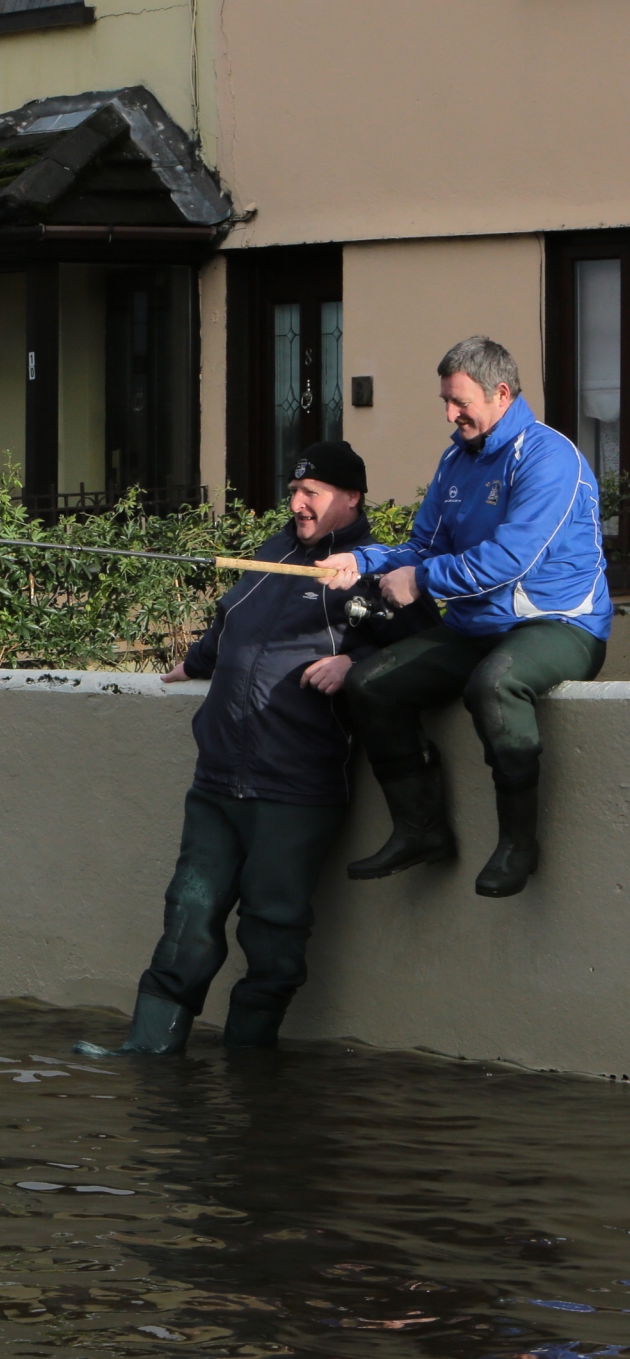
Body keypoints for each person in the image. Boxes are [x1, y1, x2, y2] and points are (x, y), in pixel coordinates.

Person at [77, 441, 433, 1056]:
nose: (297, 504)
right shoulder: (273, 552)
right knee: (186, 920)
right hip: (217, 780)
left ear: (351, 498)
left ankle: (248, 1072)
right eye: (294, 491)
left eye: (311, 493)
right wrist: (195, 663)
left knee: (273, 932)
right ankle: (148, 1052)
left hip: (294, 789)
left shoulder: (377, 573)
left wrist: (356, 663)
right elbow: (230, 622)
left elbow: (426, 648)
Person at [325, 336, 610, 898]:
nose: (450, 415)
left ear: (501, 393)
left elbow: (510, 560)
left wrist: (421, 581)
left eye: (460, 402)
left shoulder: (549, 457)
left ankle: (518, 845)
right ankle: (421, 830)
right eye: (445, 402)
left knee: (495, 685)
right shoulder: (456, 459)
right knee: (370, 684)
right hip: (478, 627)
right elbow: (422, 547)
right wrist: (360, 561)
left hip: (559, 624)